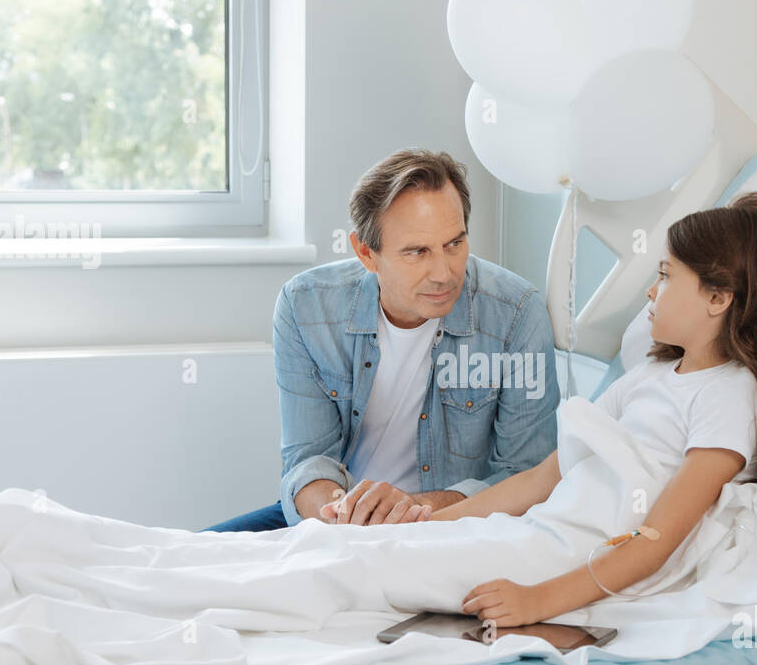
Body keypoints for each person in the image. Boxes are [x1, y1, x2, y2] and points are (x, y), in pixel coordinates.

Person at [320, 190, 757, 627]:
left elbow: (659, 540)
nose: (650, 291)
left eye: (665, 276)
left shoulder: (727, 396)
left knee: (359, 569)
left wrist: (538, 600)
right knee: (362, 547)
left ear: (717, 298)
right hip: (543, 527)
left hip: (579, 550)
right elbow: (544, 477)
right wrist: (425, 526)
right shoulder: (648, 377)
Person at [206, 149, 560, 532]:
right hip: (338, 520)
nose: (443, 273)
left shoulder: (517, 314)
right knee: (195, 560)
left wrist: (414, 508)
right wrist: (344, 515)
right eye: (417, 252)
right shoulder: (306, 308)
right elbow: (307, 462)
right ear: (365, 252)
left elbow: (527, 478)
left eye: (454, 244)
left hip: (451, 524)